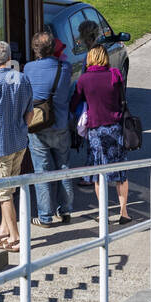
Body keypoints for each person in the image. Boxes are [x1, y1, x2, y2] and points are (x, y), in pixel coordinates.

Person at [0, 40, 34, 252]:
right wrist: (22, 128)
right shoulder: (22, 79)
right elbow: (30, 112)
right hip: (20, 142)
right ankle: (3, 230)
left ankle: (15, 237)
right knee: (9, 189)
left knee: (2, 193)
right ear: (9, 57)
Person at [73, 46, 131, 223]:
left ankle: (103, 212)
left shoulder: (84, 79)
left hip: (96, 129)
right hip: (115, 127)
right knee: (120, 171)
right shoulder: (115, 75)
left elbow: (74, 101)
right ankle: (124, 212)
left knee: (99, 171)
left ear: (89, 59)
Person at [24, 30, 74, 227]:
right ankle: (66, 210)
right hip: (61, 123)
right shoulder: (66, 67)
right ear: (53, 47)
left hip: (37, 125)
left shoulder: (28, 68)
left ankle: (45, 216)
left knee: (42, 171)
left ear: (36, 50)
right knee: (64, 167)